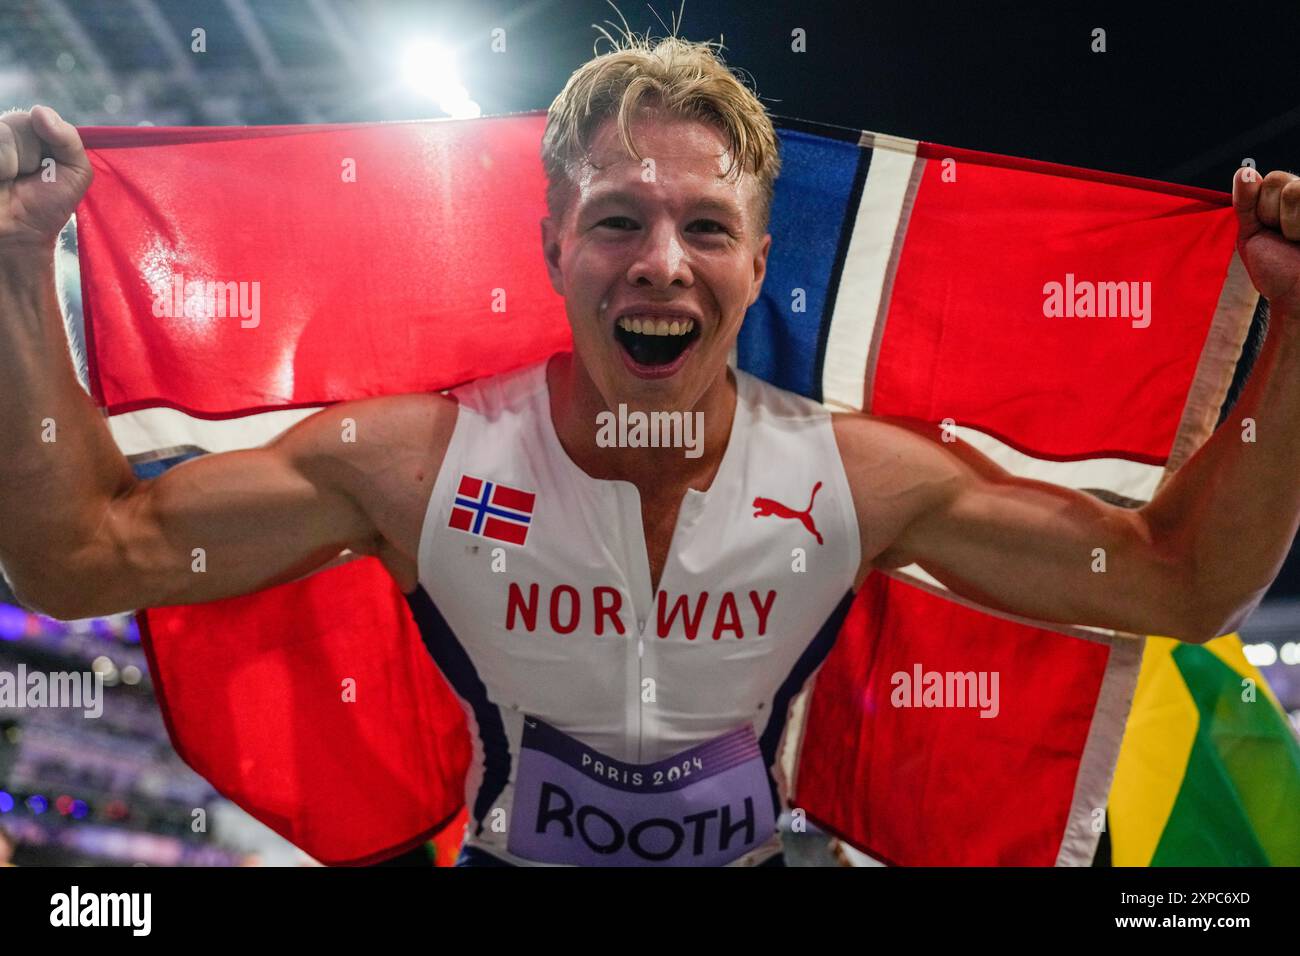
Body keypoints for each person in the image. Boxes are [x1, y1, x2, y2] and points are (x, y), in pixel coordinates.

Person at [2, 34, 1299, 867]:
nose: (660, 262)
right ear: (554, 247)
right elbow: (78, 558)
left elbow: (1176, 582)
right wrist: (17, 259)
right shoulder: (417, 464)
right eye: (618, 219)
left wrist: (1294, 326)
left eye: (704, 226)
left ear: (757, 260)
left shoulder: (858, 478)